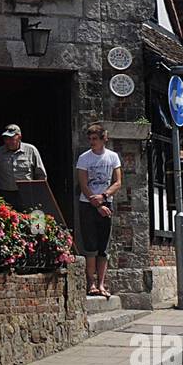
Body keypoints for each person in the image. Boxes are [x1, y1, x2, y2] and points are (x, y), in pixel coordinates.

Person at [76, 122, 122, 296]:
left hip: (105, 202)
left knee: (103, 246)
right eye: (90, 139)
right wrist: (96, 203)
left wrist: (103, 197)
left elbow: (117, 182)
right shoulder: (84, 158)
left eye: (95, 139)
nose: (92, 142)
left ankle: (101, 283)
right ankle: (91, 283)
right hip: (87, 204)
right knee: (90, 246)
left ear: (104, 139)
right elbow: (83, 183)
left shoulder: (112, 157)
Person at [0, 124, 46, 209]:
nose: (8, 141)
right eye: (6, 139)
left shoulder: (31, 150)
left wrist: (38, 195)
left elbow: (41, 174)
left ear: (19, 137)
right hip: (5, 194)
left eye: (11, 138)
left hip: (27, 194)